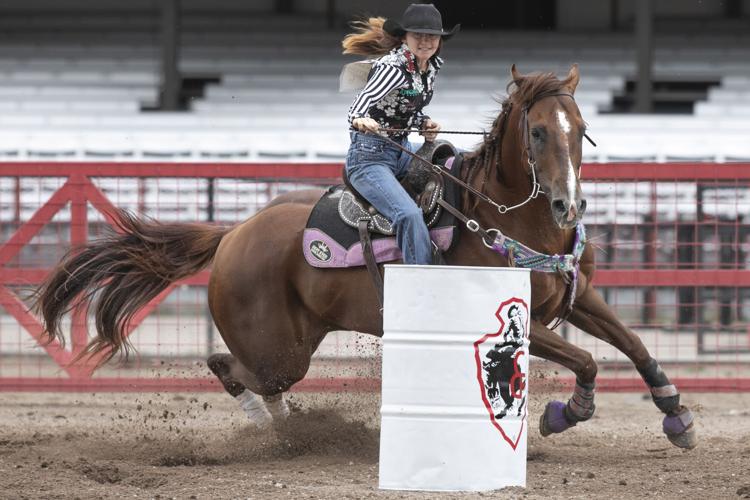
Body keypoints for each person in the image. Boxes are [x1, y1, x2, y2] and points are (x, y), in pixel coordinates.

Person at [341, 3, 459, 264]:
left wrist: (424, 123)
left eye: (431, 36)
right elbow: (357, 107)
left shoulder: (430, 67)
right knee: (408, 214)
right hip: (368, 158)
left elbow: (403, 108)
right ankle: (419, 281)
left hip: (401, 151)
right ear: (405, 37)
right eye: (418, 35)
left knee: (458, 161)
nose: (425, 41)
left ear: (440, 40)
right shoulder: (392, 68)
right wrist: (362, 120)